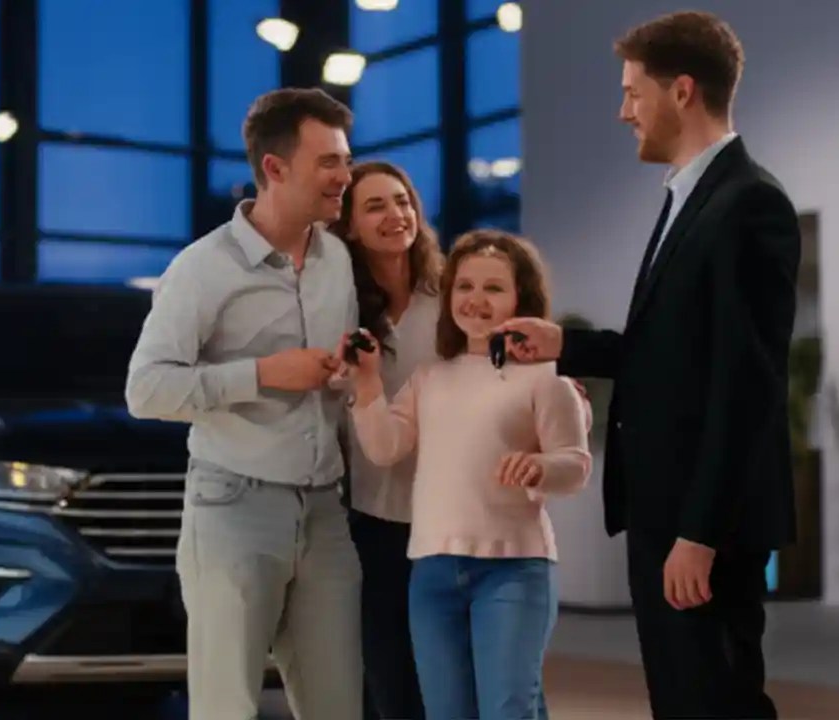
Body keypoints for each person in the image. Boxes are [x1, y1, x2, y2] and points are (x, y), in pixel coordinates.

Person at [495, 11, 801, 719]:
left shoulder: (748, 203)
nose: (623, 110)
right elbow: (672, 352)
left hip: (701, 524)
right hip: (667, 511)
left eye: (634, 92)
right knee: (682, 700)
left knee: (713, 702)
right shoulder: (693, 200)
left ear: (682, 91)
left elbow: (746, 384)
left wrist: (699, 532)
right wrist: (567, 345)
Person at [125, 87, 361, 720]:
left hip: (325, 511)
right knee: (227, 707)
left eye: (345, 158)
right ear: (275, 169)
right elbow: (145, 389)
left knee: (340, 708)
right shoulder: (202, 269)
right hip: (233, 507)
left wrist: (342, 376)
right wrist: (260, 374)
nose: (345, 176)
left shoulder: (337, 258)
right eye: (329, 162)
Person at [344, 229, 592, 720]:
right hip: (431, 572)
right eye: (464, 286)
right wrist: (368, 382)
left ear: (522, 298)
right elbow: (383, 447)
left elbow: (575, 467)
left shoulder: (547, 381)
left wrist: (542, 466)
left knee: (507, 709)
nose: (476, 300)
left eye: (494, 288)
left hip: (514, 571)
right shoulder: (429, 378)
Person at [326, 160, 443, 720]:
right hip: (374, 519)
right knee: (389, 683)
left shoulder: (448, 300)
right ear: (349, 225)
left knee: (445, 683)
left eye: (402, 201)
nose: (396, 215)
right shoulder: (339, 311)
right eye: (375, 206)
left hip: (450, 520)